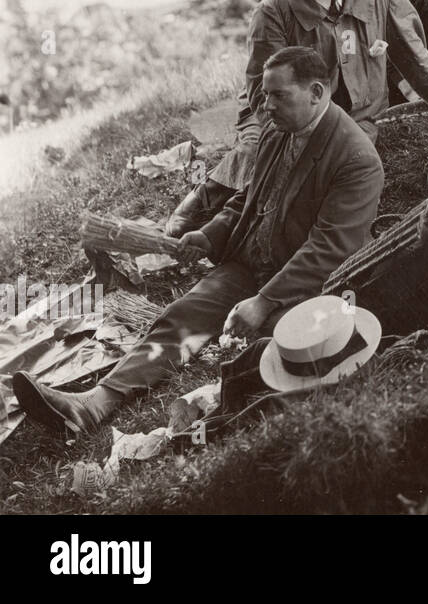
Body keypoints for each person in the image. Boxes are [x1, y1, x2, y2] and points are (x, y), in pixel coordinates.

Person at [14, 47, 384, 437]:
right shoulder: (279, 132)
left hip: (309, 287)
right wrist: (209, 236)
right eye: (263, 94)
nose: (266, 106)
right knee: (182, 315)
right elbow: (250, 197)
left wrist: (264, 301)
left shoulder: (356, 158)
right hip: (250, 266)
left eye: (278, 95)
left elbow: (329, 249)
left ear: (316, 92)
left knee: (282, 346)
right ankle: (91, 407)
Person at [166, 0, 428, 236]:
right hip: (284, 113)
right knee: (259, 151)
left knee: (335, 169)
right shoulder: (273, 11)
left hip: (358, 117)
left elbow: (415, 58)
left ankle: (242, 228)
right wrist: (296, 131)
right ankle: (204, 199)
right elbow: (261, 93)